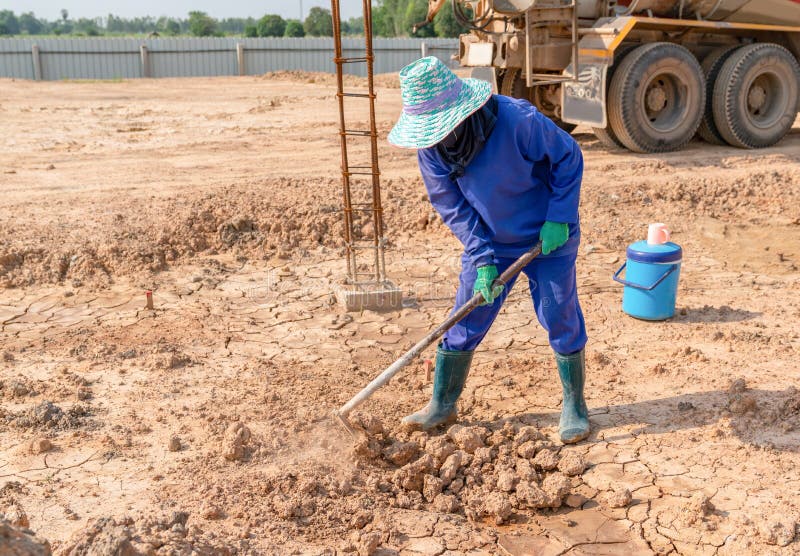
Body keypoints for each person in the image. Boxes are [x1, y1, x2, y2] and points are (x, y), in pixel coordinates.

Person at [387, 57, 589, 444]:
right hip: (492, 242)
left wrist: (559, 216)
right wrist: (482, 259)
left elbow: (568, 156)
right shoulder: (431, 151)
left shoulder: (516, 121)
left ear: (462, 113)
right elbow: (452, 207)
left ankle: (574, 405)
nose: (437, 139)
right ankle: (442, 404)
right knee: (466, 316)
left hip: (548, 236)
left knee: (557, 312)